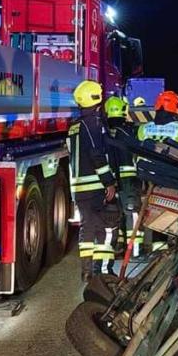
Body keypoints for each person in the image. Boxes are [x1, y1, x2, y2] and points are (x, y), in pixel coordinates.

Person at [68, 81, 120, 277]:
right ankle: (102, 272)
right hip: (94, 187)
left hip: (78, 189)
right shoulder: (93, 124)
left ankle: (87, 272)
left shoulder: (74, 126)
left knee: (87, 228)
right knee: (105, 229)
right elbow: (97, 155)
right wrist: (109, 182)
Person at [103, 95, 141, 256]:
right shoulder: (129, 131)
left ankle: (114, 247)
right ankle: (135, 251)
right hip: (129, 181)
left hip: (109, 181)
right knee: (132, 213)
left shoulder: (103, 133)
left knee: (113, 214)